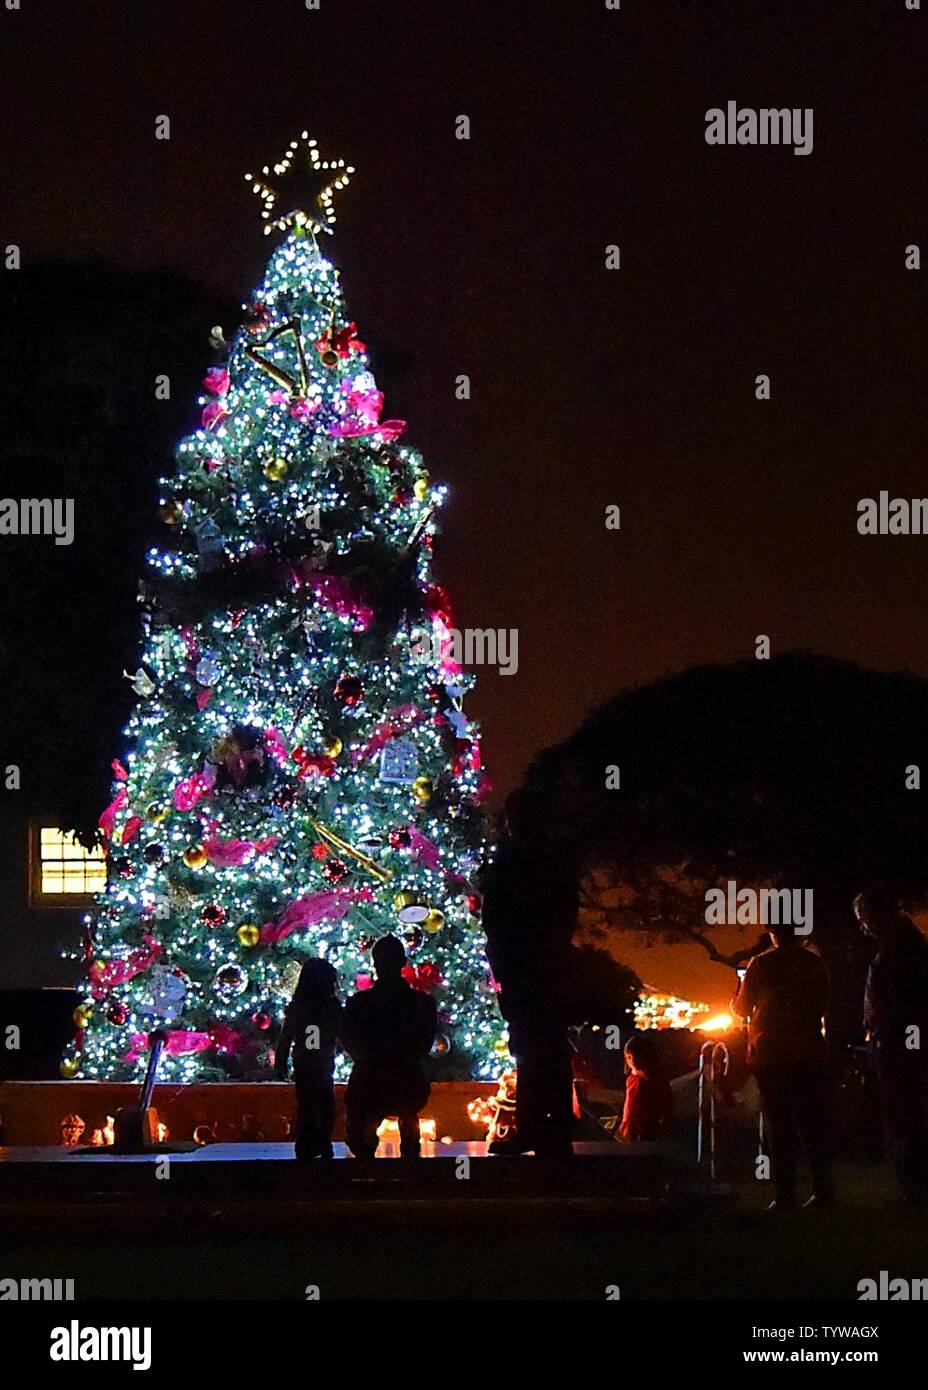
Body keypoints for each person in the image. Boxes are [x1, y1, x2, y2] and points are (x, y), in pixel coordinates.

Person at [480, 788, 578, 1158]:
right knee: (537, 1046)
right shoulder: (540, 862)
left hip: (534, 967)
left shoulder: (526, 864)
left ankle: (544, 1127)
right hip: (532, 967)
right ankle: (543, 1127)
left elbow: (499, 918)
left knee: (540, 1047)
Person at [730, 925, 833, 1209]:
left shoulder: (762, 964)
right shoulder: (814, 963)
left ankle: (785, 1193)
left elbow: (742, 1007)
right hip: (809, 1051)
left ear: (773, 932)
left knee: (779, 1125)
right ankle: (823, 1189)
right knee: (812, 1123)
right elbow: (822, 1004)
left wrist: (736, 999)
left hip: (771, 1054)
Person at [855, 888, 928, 1205]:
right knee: (907, 1116)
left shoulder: (901, 952)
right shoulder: (905, 947)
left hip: (901, 1048)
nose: (863, 927)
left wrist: (890, 1038)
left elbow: (903, 1004)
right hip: (899, 1044)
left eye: (865, 918)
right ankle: (912, 1186)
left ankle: (914, 1187)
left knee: (907, 1115)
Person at [341, 935, 437, 1159]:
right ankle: (407, 1151)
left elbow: (351, 1041)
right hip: (408, 1080)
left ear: (375, 963)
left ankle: (365, 1147)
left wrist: (373, 1061)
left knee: (360, 1131)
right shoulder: (423, 1003)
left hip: (371, 1081)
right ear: (403, 962)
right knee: (405, 1109)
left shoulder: (358, 1004)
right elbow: (424, 1044)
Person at [274, 958, 343, 1160]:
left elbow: (286, 1036)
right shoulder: (332, 1006)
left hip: (303, 1062)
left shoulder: (298, 1006)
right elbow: (343, 1031)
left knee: (305, 1103)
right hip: (323, 1064)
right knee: (325, 1102)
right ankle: (322, 1141)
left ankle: (305, 1143)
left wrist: (281, 1062)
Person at [619, 1034, 673, 1142]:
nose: (632, 1060)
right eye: (629, 1057)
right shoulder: (632, 1079)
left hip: (648, 1129)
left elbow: (666, 1105)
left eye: (636, 1056)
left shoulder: (657, 1080)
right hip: (631, 1130)